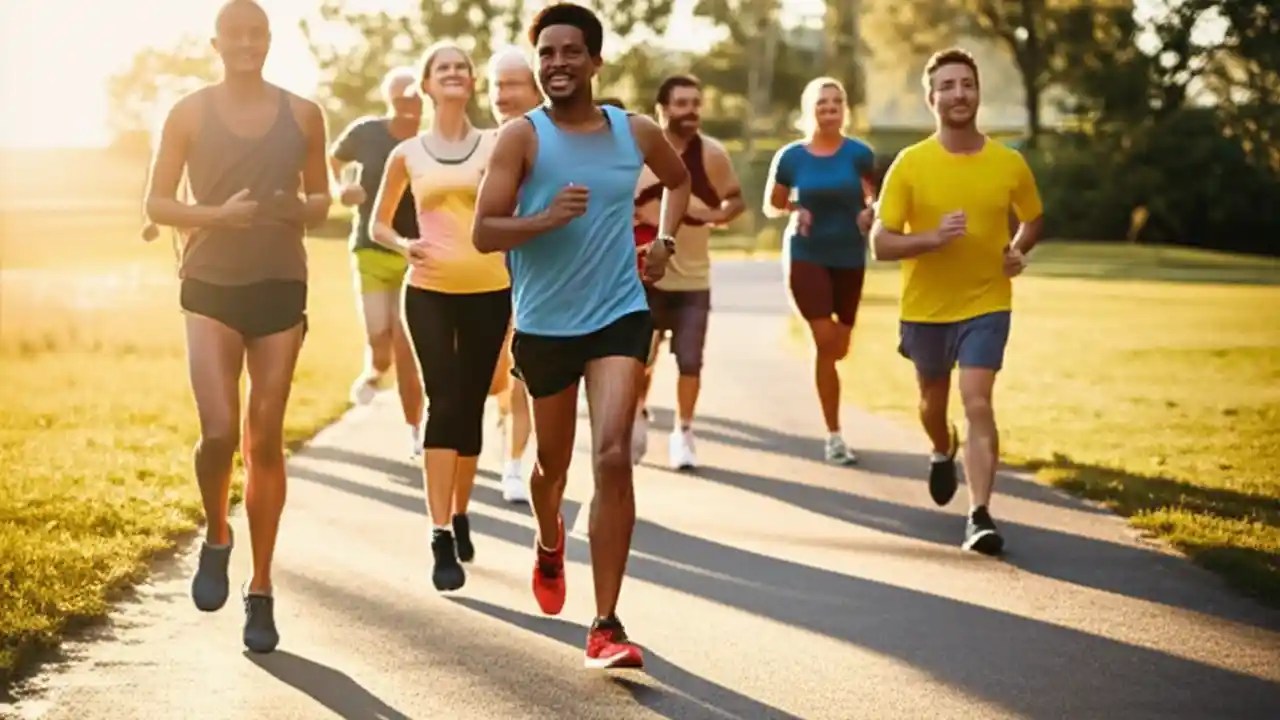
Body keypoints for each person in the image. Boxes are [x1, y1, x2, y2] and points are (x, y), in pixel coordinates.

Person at [472, 2, 691, 669]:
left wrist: (665, 241)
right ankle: (549, 539)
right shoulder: (521, 138)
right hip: (545, 324)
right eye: (546, 53)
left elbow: (678, 180)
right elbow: (485, 232)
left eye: (571, 51)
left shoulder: (635, 131)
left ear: (596, 61)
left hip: (619, 313)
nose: (557, 63)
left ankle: (605, 624)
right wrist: (544, 219)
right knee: (552, 467)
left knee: (614, 456)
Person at [143, 0, 330, 654]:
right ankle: (217, 534)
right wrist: (218, 216)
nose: (247, 43)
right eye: (236, 34)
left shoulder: (303, 113)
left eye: (258, 34)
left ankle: (262, 587)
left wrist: (292, 206)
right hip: (209, 283)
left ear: (269, 41)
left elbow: (320, 200)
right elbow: (156, 202)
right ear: (216, 42)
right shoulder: (188, 112)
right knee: (220, 431)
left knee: (265, 440)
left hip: (280, 282)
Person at [870, 48, 1044, 555]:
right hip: (925, 310)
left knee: (977, 399)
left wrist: (1017, 249)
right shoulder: (911, 164)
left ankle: (979, 514)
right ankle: (941, 446)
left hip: (987, 301)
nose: (959, 93)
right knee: (932, 405)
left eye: (966, 84)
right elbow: (880, 243)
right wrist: (932, 238)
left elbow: (1033, 218)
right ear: (932, 99)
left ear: (978, 93)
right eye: (947, 86)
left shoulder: (1008, 163)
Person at [370, 41, 510, 591]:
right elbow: (378, 224)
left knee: (471, 405)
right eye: (441, 68)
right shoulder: (407, 154)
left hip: (490, 290)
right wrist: (404, 245)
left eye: (461, 68)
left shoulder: (497, 143)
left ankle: (461, 509)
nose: (453, 73)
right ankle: (439, 533)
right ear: (426, 85)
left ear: (472, 83)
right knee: (444, 400)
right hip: (428, 291)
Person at [762, 76, 878, 466]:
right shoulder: (791, 157)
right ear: (809, 110)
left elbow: (878, 198)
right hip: (806, 253)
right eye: (822, 103)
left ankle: (832, 417)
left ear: (844, 109)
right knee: (825, 340)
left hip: (849, 255)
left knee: (839, 346)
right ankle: (834, 435)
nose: (829, 109)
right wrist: (796, 209)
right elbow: (772, 204)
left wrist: (870, 213)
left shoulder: (860, 154)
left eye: (836, 102)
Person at [632, 74, 745, 469]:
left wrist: (709, 215)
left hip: (694, 280)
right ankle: (637, 414)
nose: (691, 111)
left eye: (696, 103)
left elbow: (735, 201)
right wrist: (642, 216)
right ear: (662, 109)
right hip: (644, 280)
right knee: (638, 360)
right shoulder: (640, 156)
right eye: (681, 103)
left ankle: (683, 432)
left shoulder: (712, 154)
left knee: (690, 362)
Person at [330, 67, 425, 457]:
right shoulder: (366, 132)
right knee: (379, 340)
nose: (408, 106)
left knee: (406, 347)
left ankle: (417, 430)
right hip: (370, 248)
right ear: (389, 100)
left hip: (414, 252)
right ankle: (374, 369)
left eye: (414, 98)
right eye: (400, 99)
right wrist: (342, 189)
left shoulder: (431, 139)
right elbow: (334, 159)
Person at [484, 46, 544, 503]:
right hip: (479, 278)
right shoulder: (479, 144)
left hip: (535, 277)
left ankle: (514, 464)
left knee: (522, 372)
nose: (502, 94)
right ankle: (502, 417)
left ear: (536, 89)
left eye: (513, 84)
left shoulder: (552, 145)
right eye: (496, 85)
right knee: (494, 379)